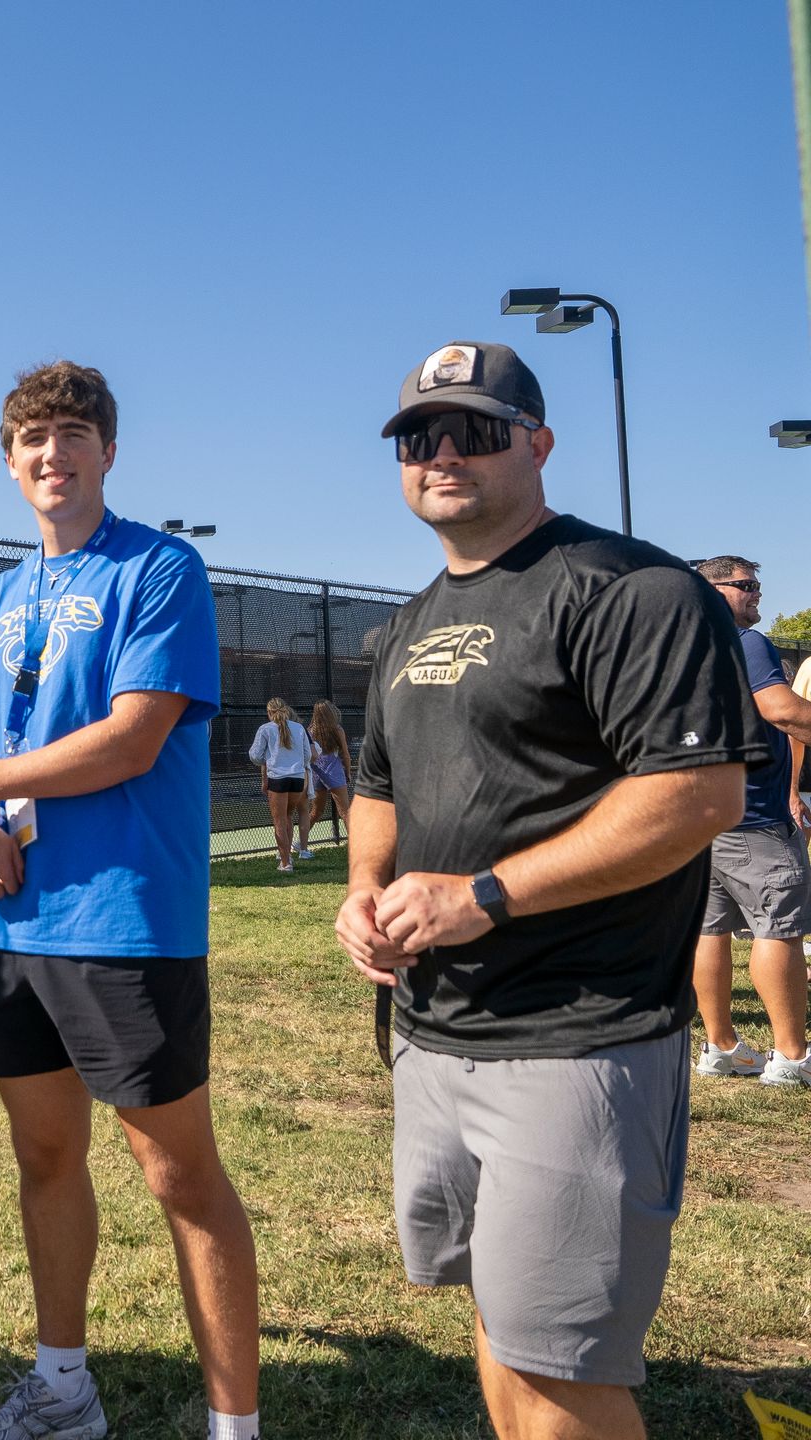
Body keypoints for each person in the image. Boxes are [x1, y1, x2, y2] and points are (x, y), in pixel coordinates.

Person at [340, 341, 763, 1440]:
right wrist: (364, 887)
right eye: (420, 436)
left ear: (538, 442)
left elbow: (694, 798)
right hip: (434, 1033)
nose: (444, 454)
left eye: (476, 430)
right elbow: (378, 786)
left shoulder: (636, 591)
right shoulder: (405, 626)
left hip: (582, 1034)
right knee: (500, 1317)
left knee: (567, 1365)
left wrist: (482, 895)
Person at [0, 362, 261, 1440]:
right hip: (7, 926)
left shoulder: (160, 570)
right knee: (45, 1158)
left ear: (108, 451)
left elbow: (130, 738)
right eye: (32, 439)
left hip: (123, 917)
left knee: (178, 1173)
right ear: (10, 463)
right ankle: (63, 1387)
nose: (52, 454)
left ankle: (234, 1425)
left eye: (73, 434)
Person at [690, 556, 811, 1087]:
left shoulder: (682, 646)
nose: (757, 593)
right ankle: (792, 1058)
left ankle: (721, 1047)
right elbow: (781, 709)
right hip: (753, 817)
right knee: (778, 929)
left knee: (710, 931)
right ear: (714, 590)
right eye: (746, 585)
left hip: (698, 816)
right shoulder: (746, 641)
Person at [248, 697, 315, 871]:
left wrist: (270, 760)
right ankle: (288, 857)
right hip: (298, 779)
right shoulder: (299, 728)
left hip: (277, 779)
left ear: (269, 712)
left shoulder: (265, 729)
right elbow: (308, 755)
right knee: (287, 816)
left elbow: (255, 756)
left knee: (279, 821)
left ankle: (285, 863)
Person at [303, 700, 354, 849]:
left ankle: (300, 843)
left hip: (317, 773)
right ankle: (355, 843)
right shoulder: (337, 729)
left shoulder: (309, 730)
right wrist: (348, 772)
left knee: (316, 811)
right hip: (334, 772)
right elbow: (345, 753)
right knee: (345, 810)